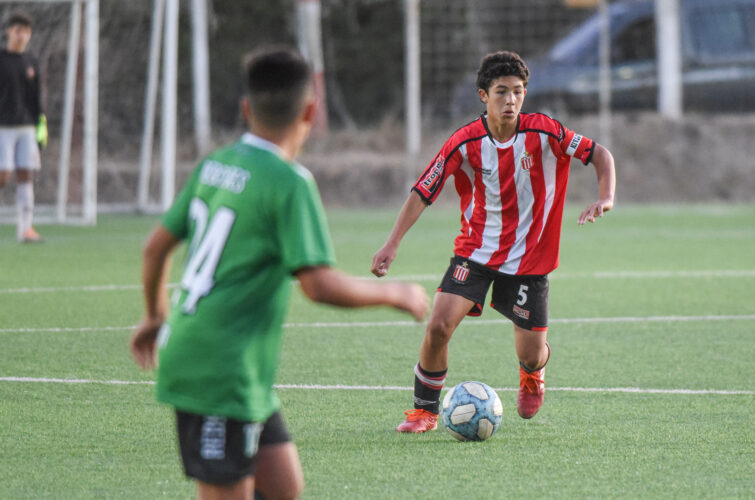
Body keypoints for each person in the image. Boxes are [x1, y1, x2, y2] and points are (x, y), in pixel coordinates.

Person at [130, 47, 429, 500]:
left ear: (247, 108)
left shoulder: (217, 163)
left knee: (283, 487)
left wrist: (155, 315)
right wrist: (395, 294)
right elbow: (318, 284)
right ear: (311, 110)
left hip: (241, 370)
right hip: (217, 369)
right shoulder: (290, 182)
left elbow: (155, 248)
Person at [371, 51, 616, 433]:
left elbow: (600, 154)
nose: (511, 100)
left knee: (531, 355)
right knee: (438, 326)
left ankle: (533, 373)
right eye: (501, 92)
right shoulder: (463, 142)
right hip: (476, 251)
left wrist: (606, 196)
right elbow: (423, 190)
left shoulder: (545, 131)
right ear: (483, 96)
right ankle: (424, 411)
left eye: (518, 92)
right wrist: (392, 243)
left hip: (530, 260)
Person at [0, 12, 47, 243]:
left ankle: (25, 229)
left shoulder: (31, 62)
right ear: (9, 31)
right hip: (3, 127)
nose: (22, 36)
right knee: (3, 174)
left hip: (27, 127)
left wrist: (40, 128)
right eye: (18, 30)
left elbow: (36, 99)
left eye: (26, 32)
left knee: (26, 175)